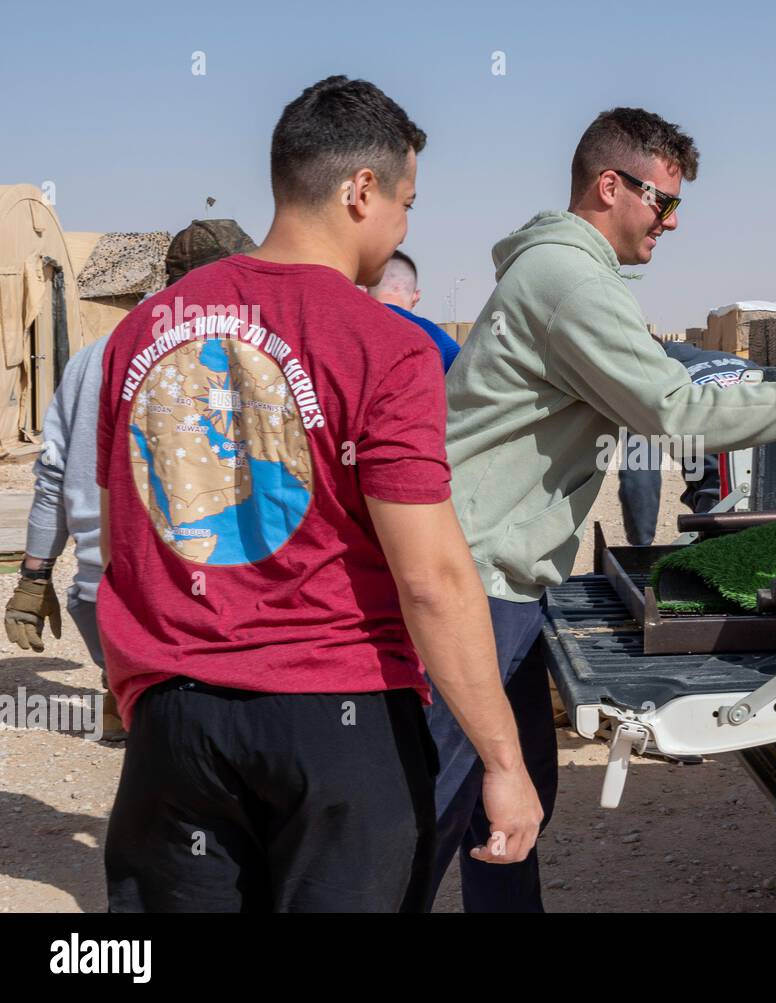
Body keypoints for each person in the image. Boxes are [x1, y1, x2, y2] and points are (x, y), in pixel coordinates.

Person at [430, 106, 776, 911]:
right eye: (662, 201)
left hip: (496, 580)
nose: (671, 221)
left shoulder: (572, 274)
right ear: (609, 185)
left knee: (509, 807)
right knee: (444, 806)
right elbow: (675, 413)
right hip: (473, 583)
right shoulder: (569, 280)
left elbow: (680, 380)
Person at [97, 75, 541, 912]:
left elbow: (127, 529)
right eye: (407, 203)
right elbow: (432, 578)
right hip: (337, 723)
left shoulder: (138, 334)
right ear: (360, 191)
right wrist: (503, 758)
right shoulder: (387, 346)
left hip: (175, 728)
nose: (408, 224)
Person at [3, 220, 256, 744]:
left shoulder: (93, 356)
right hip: (206, 605)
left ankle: (125, 692)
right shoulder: (239, 356)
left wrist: (34, 579)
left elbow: (52, 473)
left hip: (100, 600)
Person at [618, 339, 760, 545]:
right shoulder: (739, 363)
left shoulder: (654, 385)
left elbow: (639, 477)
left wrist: (641, 548)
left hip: (725, 509)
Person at [367, 249, 461, 372]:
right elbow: (467, 375)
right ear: (416, 296)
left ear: (365, 291)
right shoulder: (434, 335)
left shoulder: (350, 327)